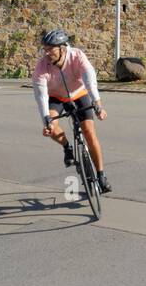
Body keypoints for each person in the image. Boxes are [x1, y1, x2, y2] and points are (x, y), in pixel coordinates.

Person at [33, 29, 111, 193]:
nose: (47, 53)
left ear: (62, 48)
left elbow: (90, 80)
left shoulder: (76, 56)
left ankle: (101, 175)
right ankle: (67, 147)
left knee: (89, 132)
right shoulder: (42, 66)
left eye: (50, 49)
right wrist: (46, 119)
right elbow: (41, 95)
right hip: (56, 97)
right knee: (52, 128)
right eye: (45, 49)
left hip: (79, 94)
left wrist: (97, 104)